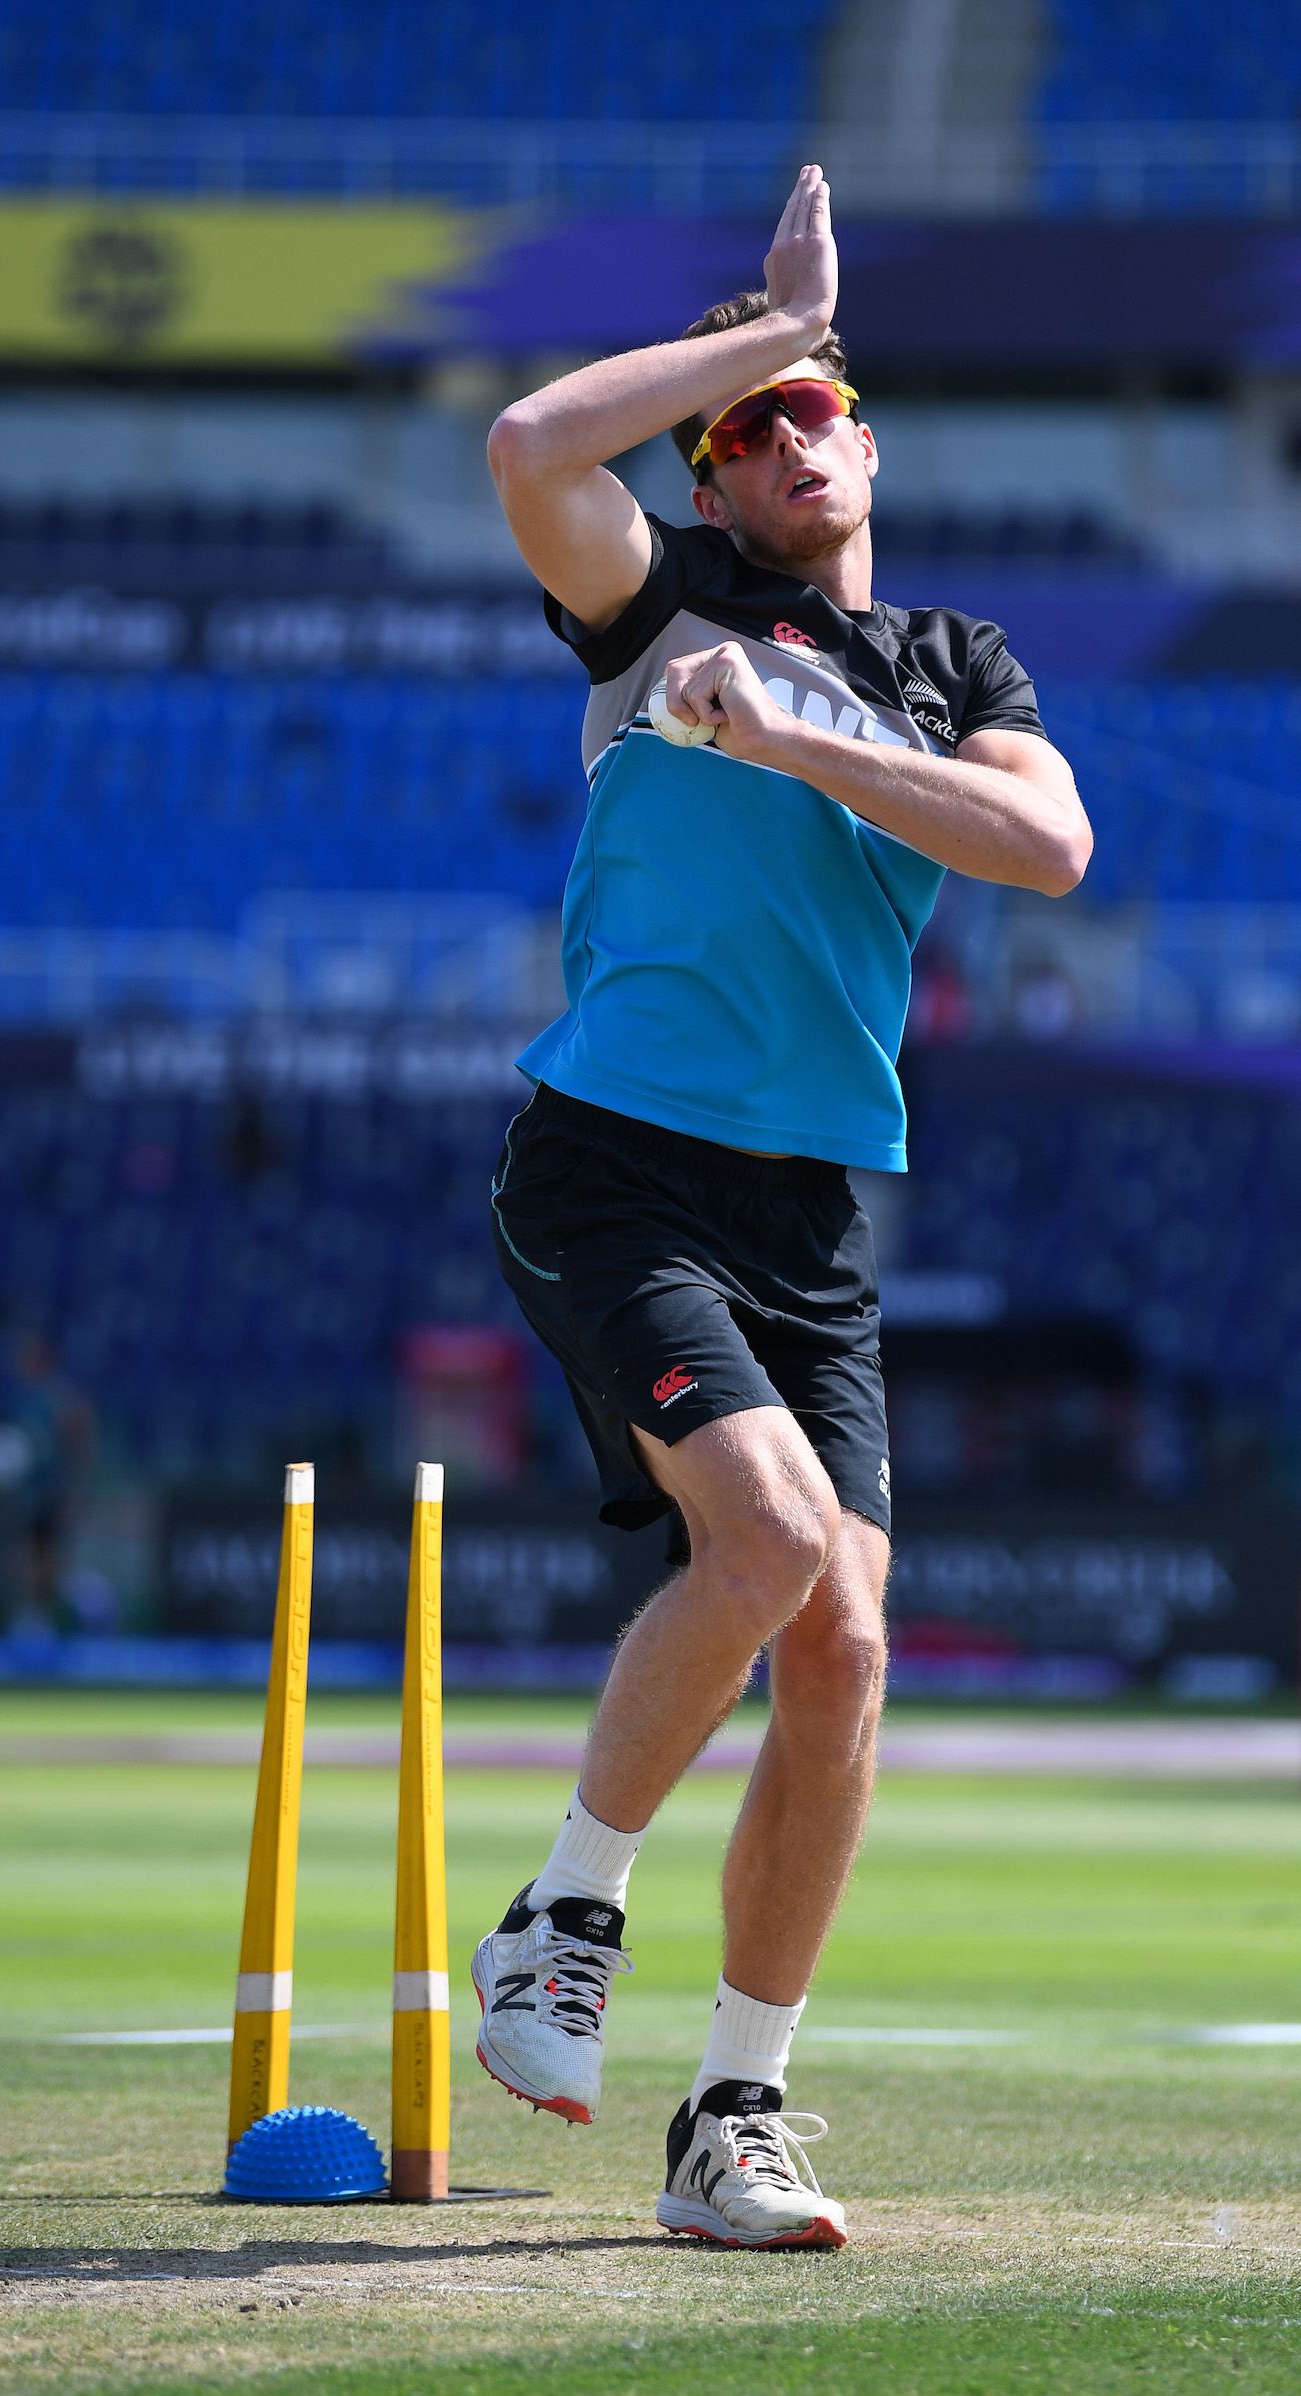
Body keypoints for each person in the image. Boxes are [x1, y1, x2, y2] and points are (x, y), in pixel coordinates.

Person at [471, 166, 1092, 2249]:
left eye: (816, 407)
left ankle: (731, 2113)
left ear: (870, 443)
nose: (785, 440)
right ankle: (567, 1909)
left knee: (842, 1649)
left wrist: (804, 741)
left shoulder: (951, 662)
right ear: (711, 476)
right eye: (745, 429)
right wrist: (773, 326)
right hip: (612, 1160)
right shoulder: (656, 601)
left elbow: (1047, 849)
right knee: (770, 1539)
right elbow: (527, 443)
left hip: (811, 1210)